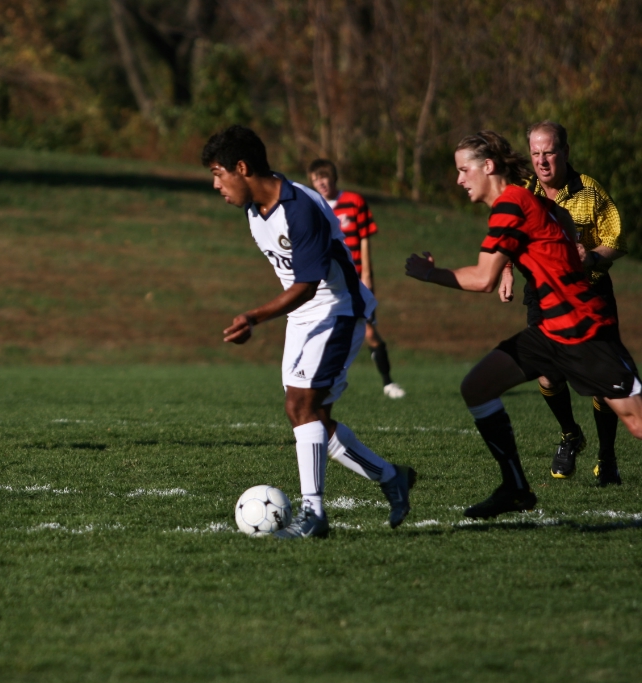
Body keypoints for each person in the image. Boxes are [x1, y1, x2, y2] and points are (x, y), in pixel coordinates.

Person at [405, 131, 642, 519]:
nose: (460, 179)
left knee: (637, 423)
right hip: (551, 330)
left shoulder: (512, 203)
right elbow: (561, 224)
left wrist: (430, 274)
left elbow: (484, 279)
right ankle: (515, 487)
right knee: (478, 386)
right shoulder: (528, 199)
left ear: (488, 166)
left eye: (464, 170)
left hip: (582, 330)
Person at [203, 125, 415, 538]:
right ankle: (391, 477)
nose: (215, 184)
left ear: (242, 168)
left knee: (299, 408)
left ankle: (314, 515)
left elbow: (309, 284)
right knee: (312, 417)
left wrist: (254, 317)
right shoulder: (253, 208)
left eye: (218, 173)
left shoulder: (300, 209)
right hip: (302, 317)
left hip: (336, 311)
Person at [497, 121, 626, 485]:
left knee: (603, 378)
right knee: (547, 371)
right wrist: (505, 270)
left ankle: (607, 455)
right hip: (542, 292)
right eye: (536, 153)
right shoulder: (524, 192)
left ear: (565, 152)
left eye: (549, 152)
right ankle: (570, 435)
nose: (542, 160)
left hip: (591, 292)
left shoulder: (590, 191)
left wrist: (592, 258)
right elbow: (506, 235)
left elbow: (616, 240)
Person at [309, 159, 405, 399]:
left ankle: (388, 382)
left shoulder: (354, 202)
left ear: (333, 177)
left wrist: (367, 274)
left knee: (369, 332)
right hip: (329, 282)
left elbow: (364, 239)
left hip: (356, 279)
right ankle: (325, 381)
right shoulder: (314, 205)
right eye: (315, 178)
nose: (320, 182)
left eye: (324, 177)